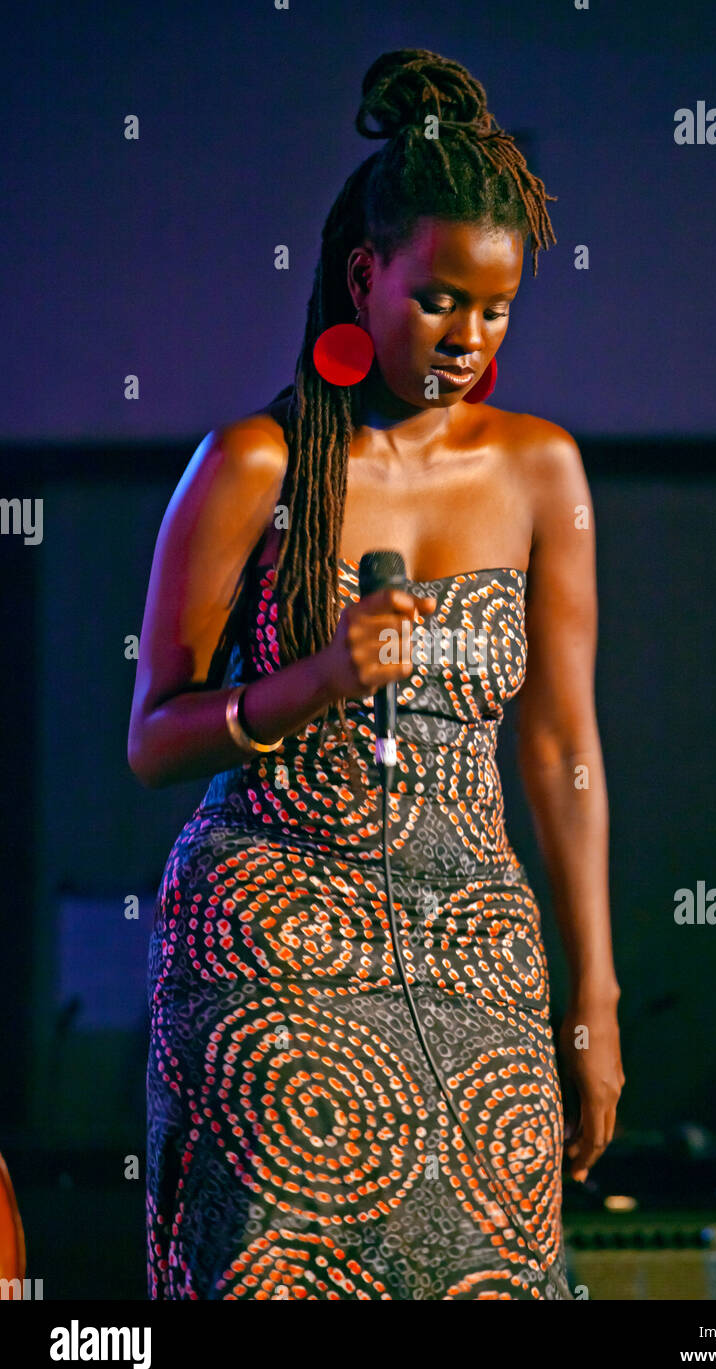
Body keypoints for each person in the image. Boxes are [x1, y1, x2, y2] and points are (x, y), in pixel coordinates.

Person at [128, 46, 623, 1301]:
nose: (467, 338)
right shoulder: (253, 463)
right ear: (365, 275)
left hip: (478, 954)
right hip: (273, 945)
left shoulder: (541, 470)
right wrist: (314, 682)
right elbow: (153, 736)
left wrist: (594, 1000)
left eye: (495, 310)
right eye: (439, 299)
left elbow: (562, 748)